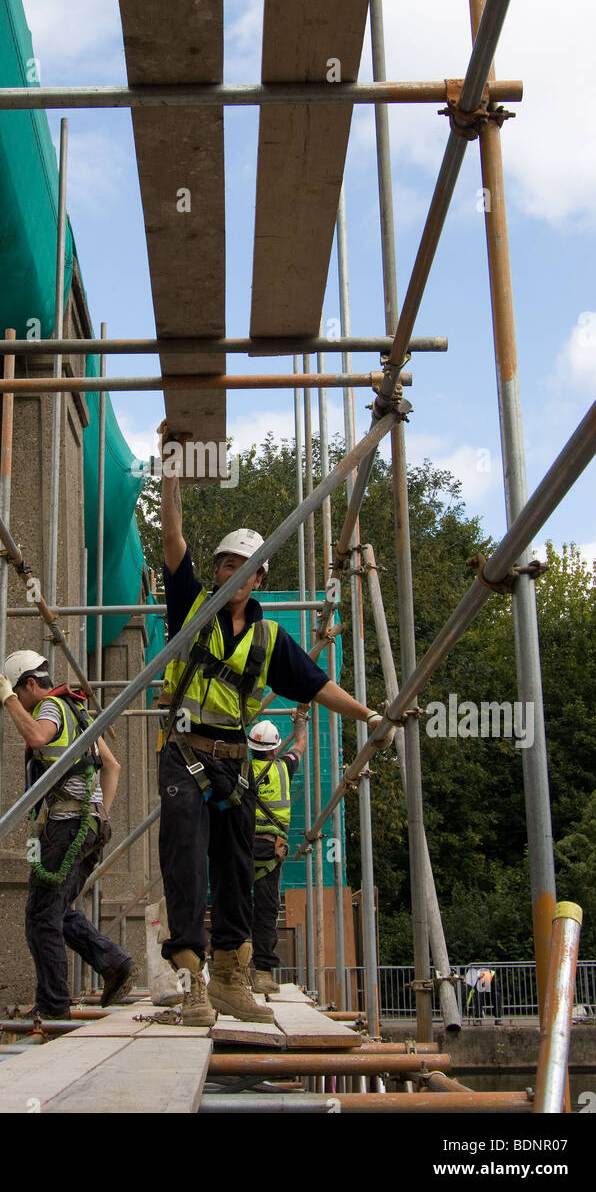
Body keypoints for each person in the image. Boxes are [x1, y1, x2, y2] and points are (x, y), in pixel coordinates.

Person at [157, 420, 388, 1026]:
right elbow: (172, 536)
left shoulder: (269, 637)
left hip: (234, 765)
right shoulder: (190, 608)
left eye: (246, 566)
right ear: (216, 572)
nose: (234, 573)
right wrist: (170, 469)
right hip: (184, 754)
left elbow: (316, 684)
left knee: (236, 870)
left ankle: (230, 979)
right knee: (186, 860)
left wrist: (369, 714)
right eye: (226, 564)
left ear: (259, 578)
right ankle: (191, 981)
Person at [0, 649, 136, 1020]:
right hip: (88, 827)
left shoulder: (51, 708)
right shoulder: (78, 712)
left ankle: (54, 1007)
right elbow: (112, 766)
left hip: (68, 826)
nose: (20, 702)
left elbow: (38, 737)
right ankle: (114, 963)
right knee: (54, 910)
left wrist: (8, 700)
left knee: (41, 918)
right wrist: (99, 815)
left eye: (19, 692)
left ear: (29, 685)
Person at [247, 713, 309, 996]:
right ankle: (261, 973)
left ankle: (231, 971)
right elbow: (300, 743)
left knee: (233, 906)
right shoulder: (284, 768)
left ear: (250, 747)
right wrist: (300, 719)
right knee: (266, 910)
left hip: (241, 847)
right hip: (271, 852)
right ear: (274, 749)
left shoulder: (240, 770)